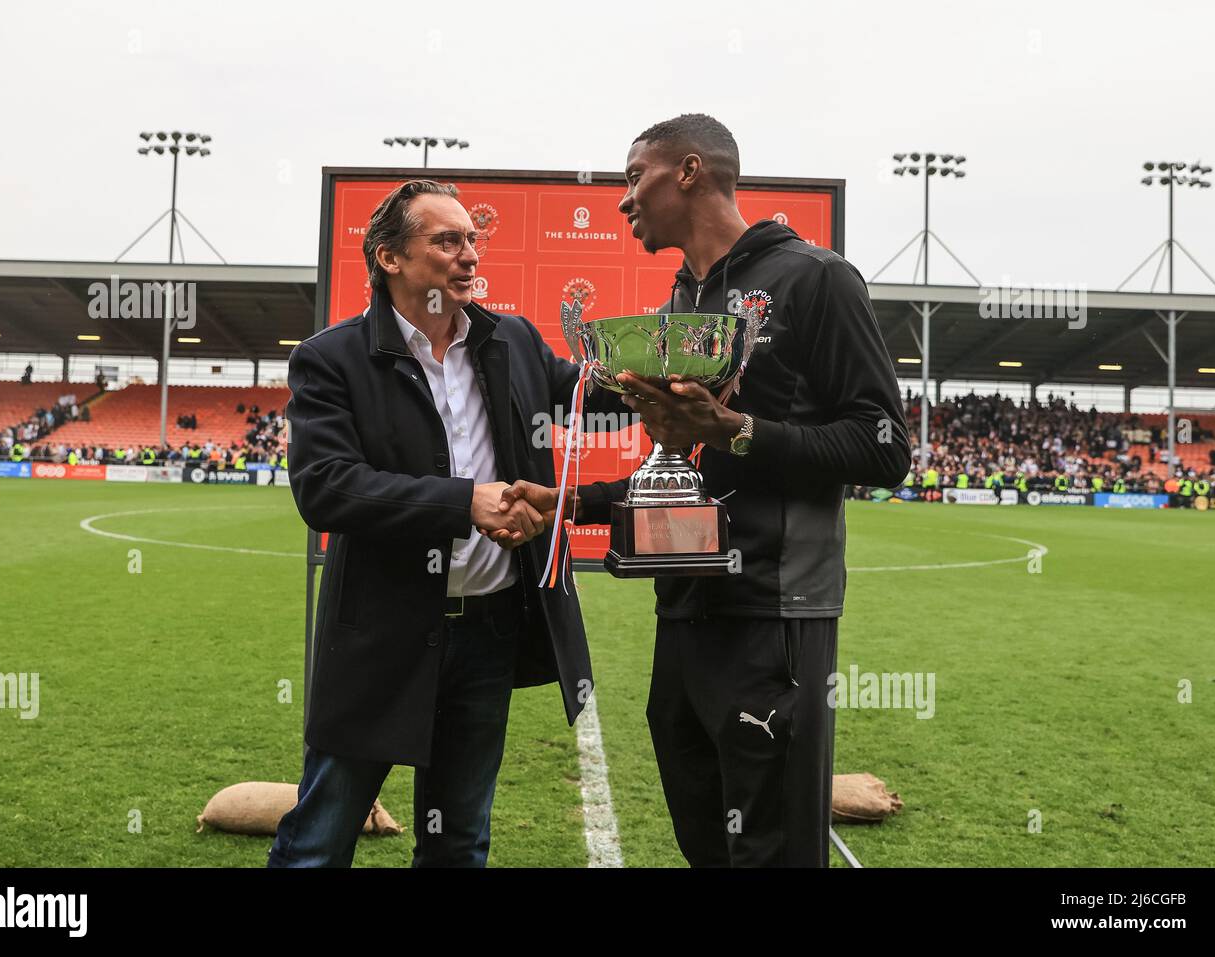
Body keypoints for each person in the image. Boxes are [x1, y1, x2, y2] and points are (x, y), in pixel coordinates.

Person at [518, 114, 910, 867]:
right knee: (710, 845)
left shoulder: (816, 278)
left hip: (775, 608)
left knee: (773, 852)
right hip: (685, 606)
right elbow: (683, 463)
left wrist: (738, 428)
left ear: (690, 171)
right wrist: (576, 502)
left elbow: (885, 446)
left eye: (636, 178)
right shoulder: (682, 303)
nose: (625, 201)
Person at [268, 179, 624, 868]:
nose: (469, 255)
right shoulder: (330, 358)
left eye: (472, 240)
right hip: (381, 631)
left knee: (459, 841)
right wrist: (463, 501)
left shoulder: (512, 339)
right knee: (320, 837)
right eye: (447, 240)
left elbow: (589, 393)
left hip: (489, 630)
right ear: (389, 257)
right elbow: (326, 488)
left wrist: (673, 376)